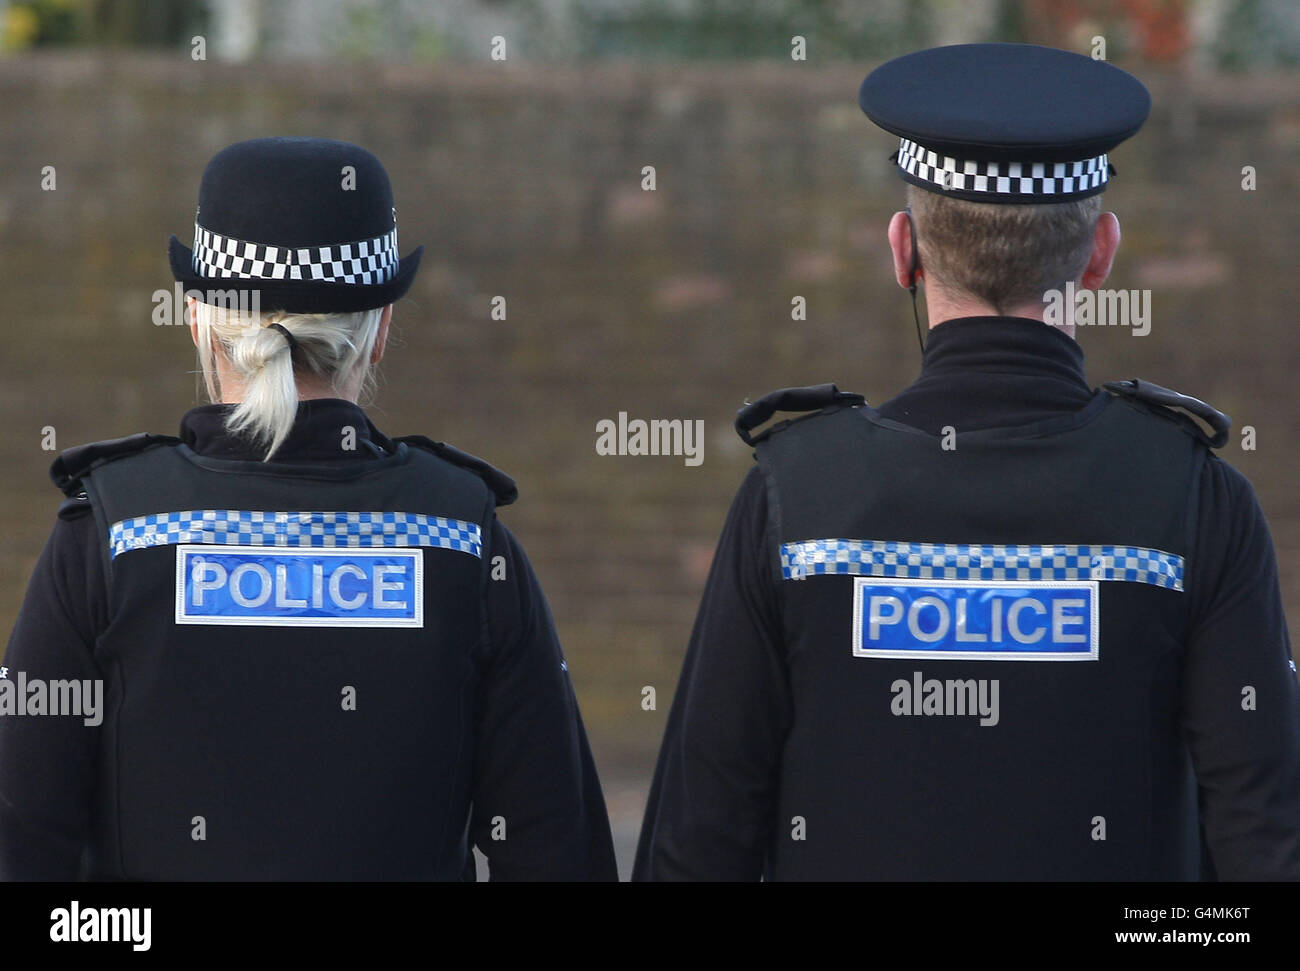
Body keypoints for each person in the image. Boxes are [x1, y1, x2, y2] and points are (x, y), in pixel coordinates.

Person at [634, 44, 1300, 880]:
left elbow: (699, 841)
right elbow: (1265, 841)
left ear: (903, 249)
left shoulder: (796, 492)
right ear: (1100, 254)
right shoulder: (1196, 501)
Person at [0, 136, 616, 881]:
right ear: (381, 329)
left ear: (197, 317)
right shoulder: (465, 541)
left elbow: (23, 840)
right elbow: (555, 848)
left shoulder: (109, 535)